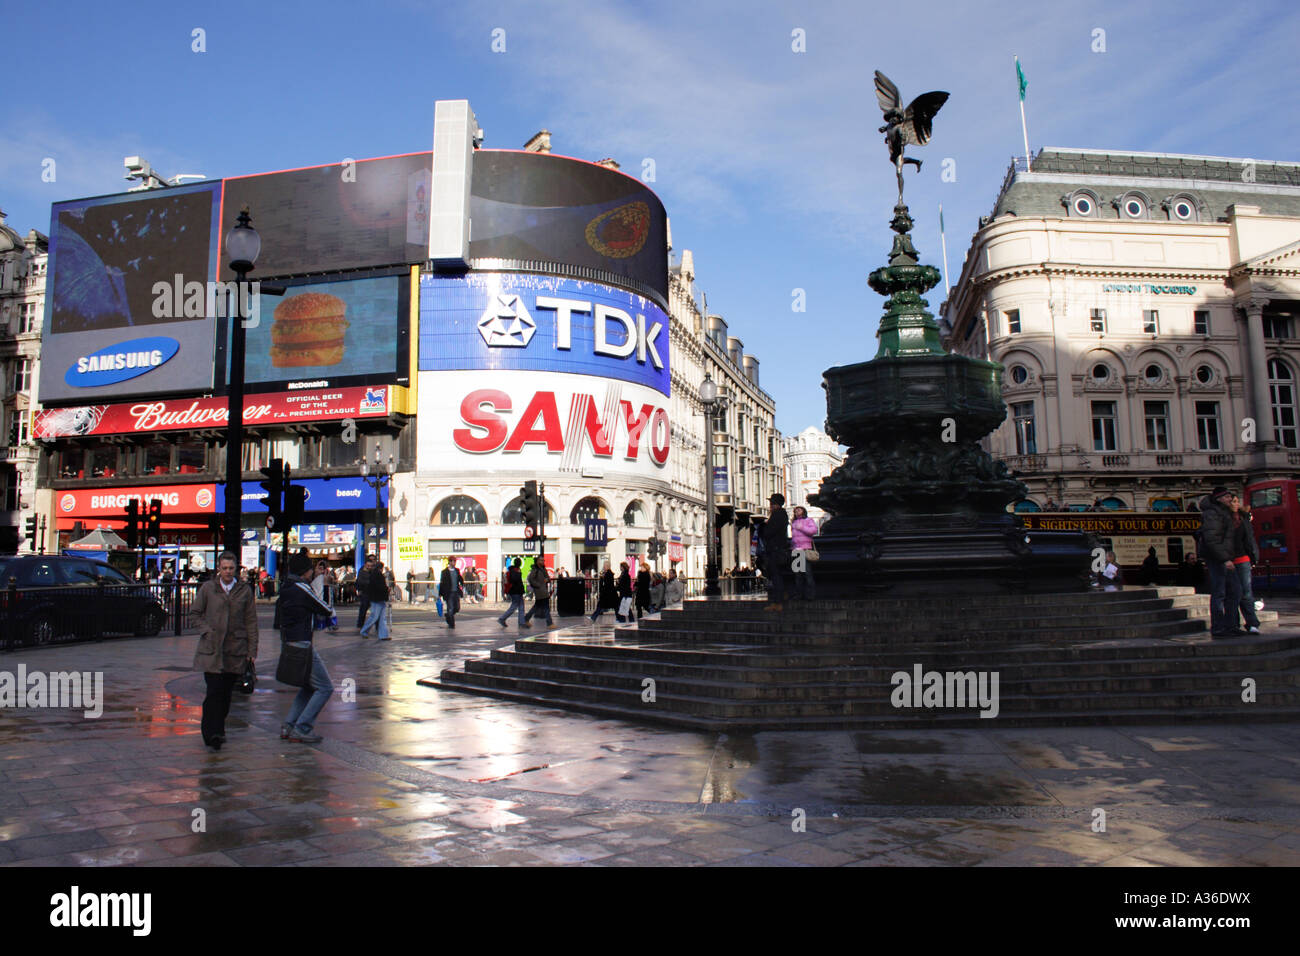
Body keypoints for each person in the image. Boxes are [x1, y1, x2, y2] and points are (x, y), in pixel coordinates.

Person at [191, 552, 259, 751]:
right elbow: (195, 613)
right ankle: (211, 732)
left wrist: (251, 649)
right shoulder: (208, 589)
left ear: (236, 569)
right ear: (218, 569)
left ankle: (219, 729)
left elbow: (251, 621)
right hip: (212, 649)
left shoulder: (244, 591)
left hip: (235, 649)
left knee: (227, 694)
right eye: (224, 568)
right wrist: (206, 631)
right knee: (213, 692)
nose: (228, 572)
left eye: (231, 568)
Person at [277, 552, 336, 743]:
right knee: (325, 687)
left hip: (289, 641)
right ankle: (303, 727)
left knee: (308, 686)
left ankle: (289, 725)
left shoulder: (286, 587)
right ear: (305, 571)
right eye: (310, 569)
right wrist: (319, 586)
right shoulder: (302, 588)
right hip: (302, 643)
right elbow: (325, 608)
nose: (312, 572)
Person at [1198, 486, 1243, 638]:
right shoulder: (1212, 514)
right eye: (1227, 497)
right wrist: (1225, 559)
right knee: (1220, 593)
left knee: (1235, 591)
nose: (1230, 499)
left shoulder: (1223, 512)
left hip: (1225, 557)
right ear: (1219, 498)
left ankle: (1230, 625)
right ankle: (1218, 627)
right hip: (1218, 559)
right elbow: (1212, 539)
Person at [1226, 492, 1262, 635]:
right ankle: (1233, 624)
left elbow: (1250, 540)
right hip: (1228, 560)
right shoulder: (1223, 519)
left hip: (1243, 559)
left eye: (1236, 501)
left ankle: (1252, 623)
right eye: (1231, 501)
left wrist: (1253, 558)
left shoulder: (1244, 519)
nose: (1234, 504)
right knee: (1233, 594)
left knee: (1246, 593)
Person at [762, 493, 791, 611]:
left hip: (775, 549)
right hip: (780, 549)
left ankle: (777, 601)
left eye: (771, 503)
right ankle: (782, 595)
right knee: (778, 574)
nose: (770, 506)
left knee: (775, 575)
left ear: (775, 504)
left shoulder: (777, 515)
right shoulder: (783, 515)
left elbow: (769, 532)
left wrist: (764, 528)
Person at [790, 505, 818, 601]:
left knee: (807, 573)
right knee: (797, 574)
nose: (797, 511)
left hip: (805, 550)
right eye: (796, 510)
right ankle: (799, 594)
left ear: (803, 511)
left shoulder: (808, 520)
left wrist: (801, 527)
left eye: (799, 509)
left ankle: (810, 594)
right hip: (796, 550)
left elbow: (814, 530)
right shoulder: (793, 522)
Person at [359, 559, 391, 640]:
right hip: (378, 599)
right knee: (378, 617)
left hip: (376, 599)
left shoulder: (373, 575)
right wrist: (386, 590)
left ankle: (381, 635)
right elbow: (380, 587)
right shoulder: (378, 575)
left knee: (376, 617)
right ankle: (380, 634)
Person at [498, 557, 528, 628]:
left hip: (515, 591)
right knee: (514, 606)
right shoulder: (515, 571)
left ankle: (521, 622)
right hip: (516, 591)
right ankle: (502, 618)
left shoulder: (513, 570)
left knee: (520, 606)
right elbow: (516, 581)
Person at [311, 560, 339, 632]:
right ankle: (322, 625)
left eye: (323, 569)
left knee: (328, 609)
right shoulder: (314, 576)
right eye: (319, 568)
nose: (321, 571)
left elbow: (332, 583)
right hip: (318, 596)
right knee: (321, 611)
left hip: (325, 594)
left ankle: (329, 625)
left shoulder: (327, 576)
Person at [523, 560, 553, 626]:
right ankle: (549, 623)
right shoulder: (536, 570)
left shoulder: (542, 570)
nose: (543, 562)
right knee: (545, 607)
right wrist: (538, 584)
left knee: (538, 606)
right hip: (540, 591)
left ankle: (526, 618)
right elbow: (531, 579)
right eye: (541, 560)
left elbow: (547, 578)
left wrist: (546, 580)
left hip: (543, 590)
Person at [438, 557, 463, 629]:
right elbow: (442, 583)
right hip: (448, 593)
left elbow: (460, 579)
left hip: (456, 592)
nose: (454, 563)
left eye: (455, 561)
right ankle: (451, 623)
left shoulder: (457, 570)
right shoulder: (444, 572)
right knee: (450, 608)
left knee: (457, 608)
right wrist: (440, 594)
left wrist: (462, 583)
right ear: (449, 562)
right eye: (453, 561)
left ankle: (448, 615)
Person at [354, 555, 374, 629]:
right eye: (368, 565)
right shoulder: (362, 571)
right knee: (363, 609)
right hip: (365, 593)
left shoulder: (372, 571)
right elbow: (360, 581)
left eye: (371, 566)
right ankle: (360, 624)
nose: (369, 567)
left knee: (374, 611)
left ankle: (375, 626)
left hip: (371, 593)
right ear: (365, 564)